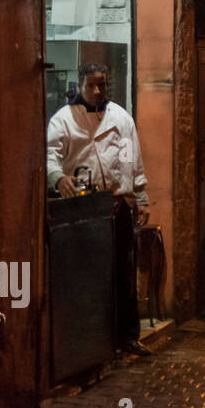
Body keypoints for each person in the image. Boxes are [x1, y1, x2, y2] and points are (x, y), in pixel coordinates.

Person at [47, 62, 151, 357]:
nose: (96, 90)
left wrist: (140, 197)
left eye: (102, 84)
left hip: (117, 206)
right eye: (91, 85)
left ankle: (127, 336)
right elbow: (50, 156)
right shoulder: (63, 120)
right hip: (82, 210)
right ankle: (91, 341)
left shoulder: (121, 118)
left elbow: (132, 160)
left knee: (123, 274)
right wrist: (58, 177)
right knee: (88, 276)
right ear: (79, 85)